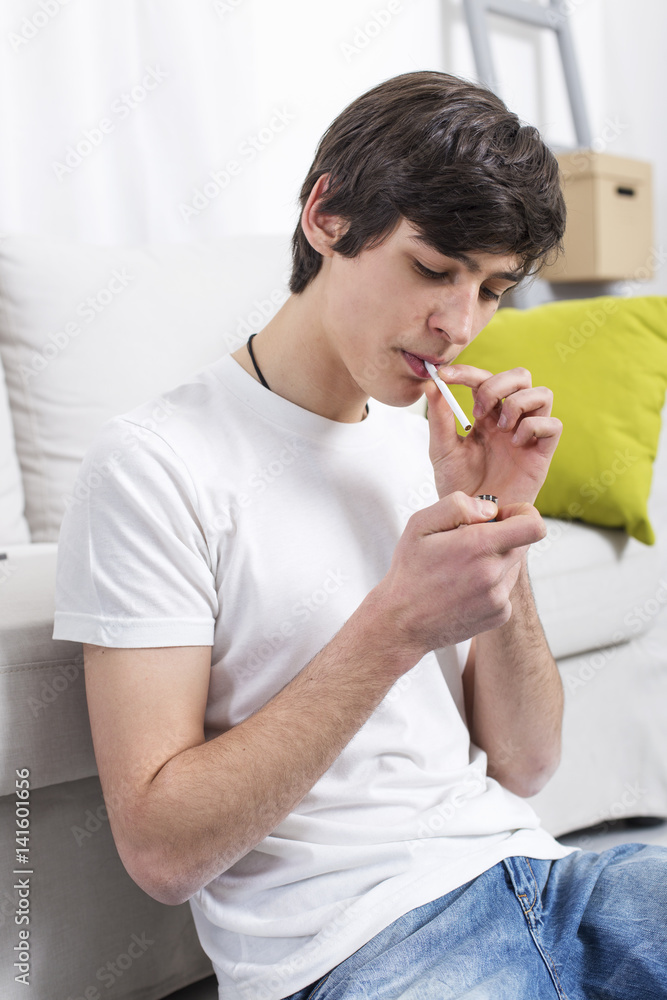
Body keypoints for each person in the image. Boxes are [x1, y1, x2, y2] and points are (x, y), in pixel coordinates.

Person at [53, 71, 667, 1000]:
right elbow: (161, 850)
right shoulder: (153, 465)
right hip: (368, 944)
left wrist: (500, 520)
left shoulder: (424, 441)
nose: (460, 326)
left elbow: (528, 763)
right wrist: (396, 627)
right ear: (325, 219)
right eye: (433, 269)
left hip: (547, 880)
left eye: (493, 289)